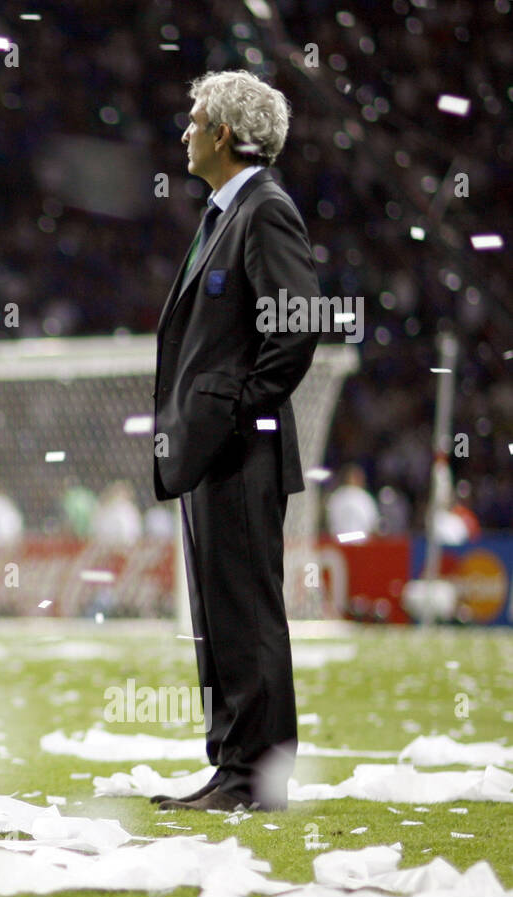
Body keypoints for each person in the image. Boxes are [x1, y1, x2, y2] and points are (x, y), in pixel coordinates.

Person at [150, 71, 319, 812]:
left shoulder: (264, 210)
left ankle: (259, 777)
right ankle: (232, 768)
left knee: (246, 614)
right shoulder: (229, 211)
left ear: (223, 133)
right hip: (215, 450)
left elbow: (296, 325)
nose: (183, 131)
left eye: (193, 120)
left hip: (240, 450)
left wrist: (235, 410)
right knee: (221, 616)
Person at [325, 464, 380, 538]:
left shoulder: (336, 496)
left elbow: (372, 523)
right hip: (349, 540)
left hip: (348, 541)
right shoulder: (338, 496)